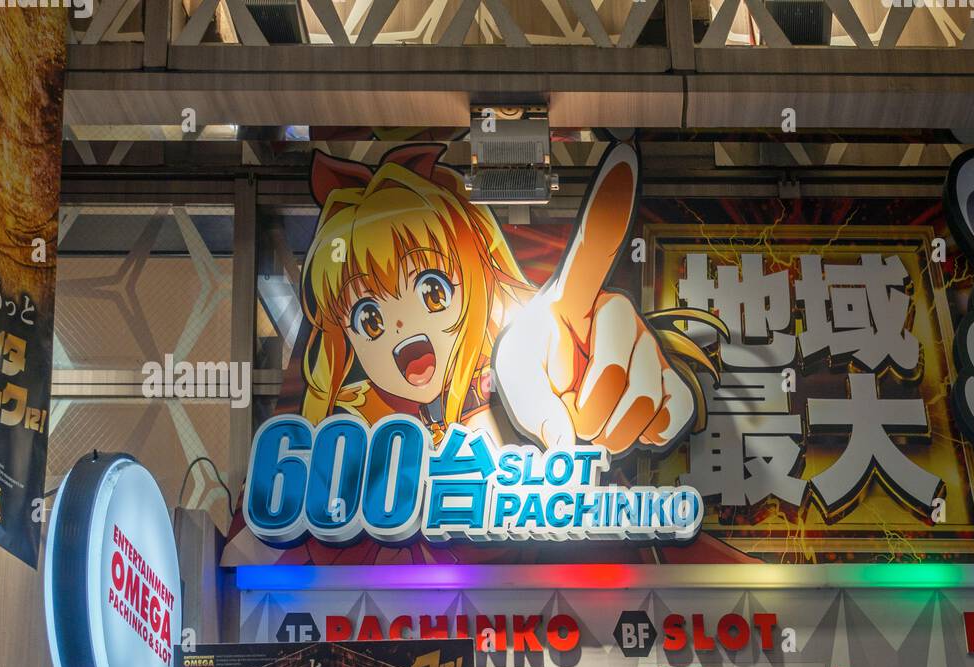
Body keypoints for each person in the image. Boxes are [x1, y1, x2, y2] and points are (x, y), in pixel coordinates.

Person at [298, 142, 723, 453]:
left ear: (478, 278)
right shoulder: (344, 430)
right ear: (344, 339)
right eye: (369, 318)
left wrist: (568, 364)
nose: (399, 327)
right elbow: (250, 552)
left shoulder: (511, 371)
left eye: (432, 292)